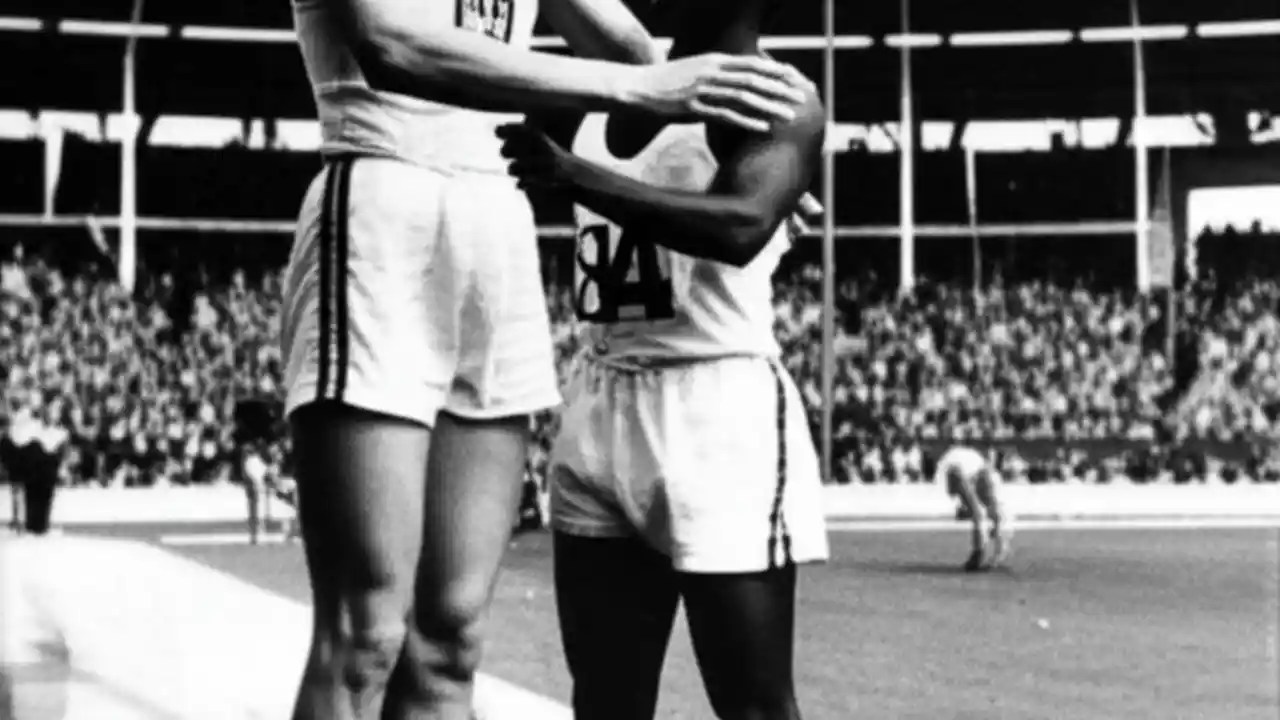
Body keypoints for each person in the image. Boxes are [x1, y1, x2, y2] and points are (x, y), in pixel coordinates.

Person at [280, 0, 816, 718]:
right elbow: (389, 44)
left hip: (495, 216)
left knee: (450, 641)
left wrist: (758, 155)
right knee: (367, 632)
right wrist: (647, 94)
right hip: (384, 182)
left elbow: (631, 48)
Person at [499, 0, 827, 717]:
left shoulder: (776, 94)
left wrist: (579, 177)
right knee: (607, 701)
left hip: (716, 409)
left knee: (753, 704)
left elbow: (742, 226)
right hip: (601, 392)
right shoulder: (610, 85)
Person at [934, 445, 1013, 572]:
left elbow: (981, 511)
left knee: (985, 512)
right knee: (984, 512)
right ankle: (988, 551)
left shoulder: (966, 472)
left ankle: (987, 551)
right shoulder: (956, 472)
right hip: (966, 468)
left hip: (969, 468)